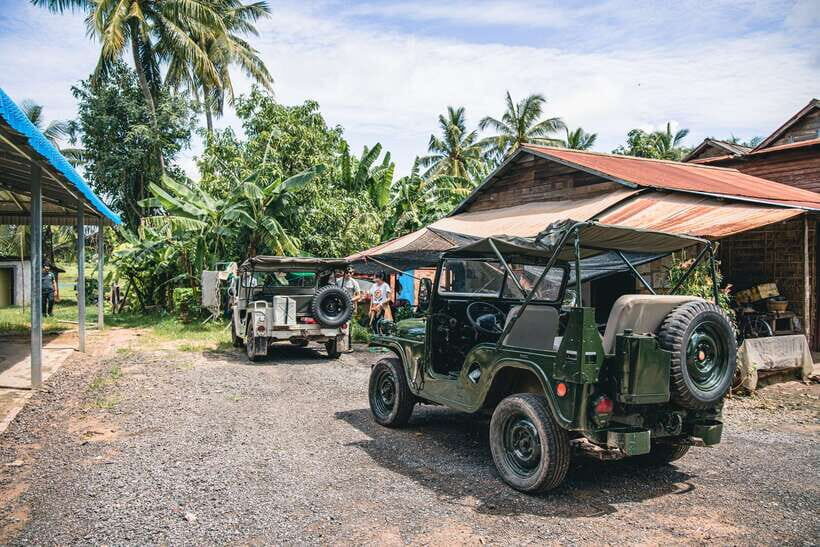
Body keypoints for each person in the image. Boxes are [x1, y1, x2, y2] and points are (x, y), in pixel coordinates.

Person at [333, 266, 361, 352]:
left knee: (347, 326)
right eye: (347, 272)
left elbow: (359, 295)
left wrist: (351, 300)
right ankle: (337, 346)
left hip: (349, 306)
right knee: (337, 324)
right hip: (339, 305)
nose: (349, 274)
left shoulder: (354, 282)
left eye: (351, 273)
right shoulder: (338, 281)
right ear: (344, 273)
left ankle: (349, 346)